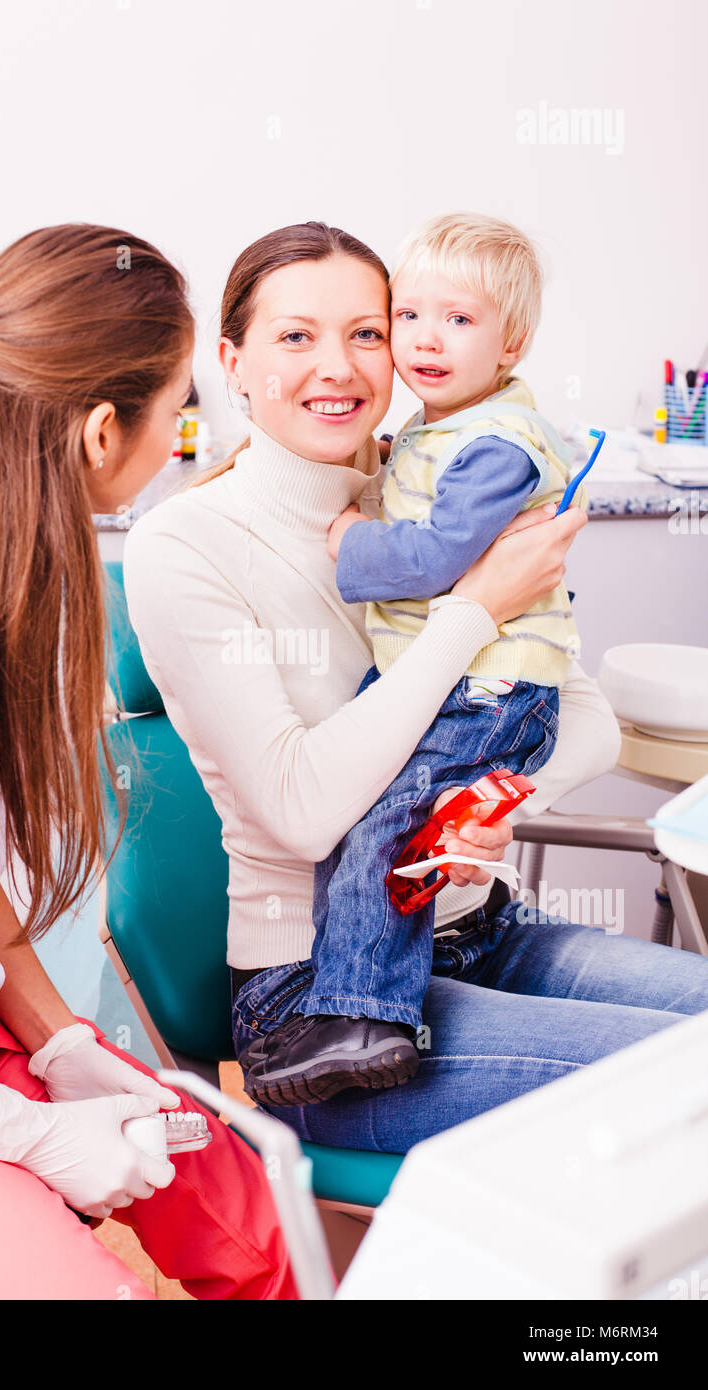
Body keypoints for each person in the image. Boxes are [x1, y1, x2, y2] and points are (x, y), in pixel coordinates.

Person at [123, 220, 708, 1155]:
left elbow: (585, 721)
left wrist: (487, 804)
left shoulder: (435, 492)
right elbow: (305, 812)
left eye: (366, 332)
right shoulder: (185, 545)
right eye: (295, 337)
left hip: (483, 932)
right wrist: (472, 609)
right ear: (231, 362)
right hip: (318, 1003)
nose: (340, 367)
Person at [0, 224, 297, 1301]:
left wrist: (58, 1040)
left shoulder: (2, 587)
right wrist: (23, 1131)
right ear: (102, 433)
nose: (193, 432)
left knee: (248, 1216)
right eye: (183, 406)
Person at [245, 212, 589, 1107]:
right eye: (408, 317)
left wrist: (356, 541)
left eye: (459, 320)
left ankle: (365, 1013)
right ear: (232, 361)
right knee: (383, 820)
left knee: (392, 819)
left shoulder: (493, 446)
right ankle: (357, 1006)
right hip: (471, 688)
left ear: (511, 343)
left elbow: (435, 557)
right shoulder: (433, 441)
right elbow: (305, 807)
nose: (422, 340)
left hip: (494, 689)